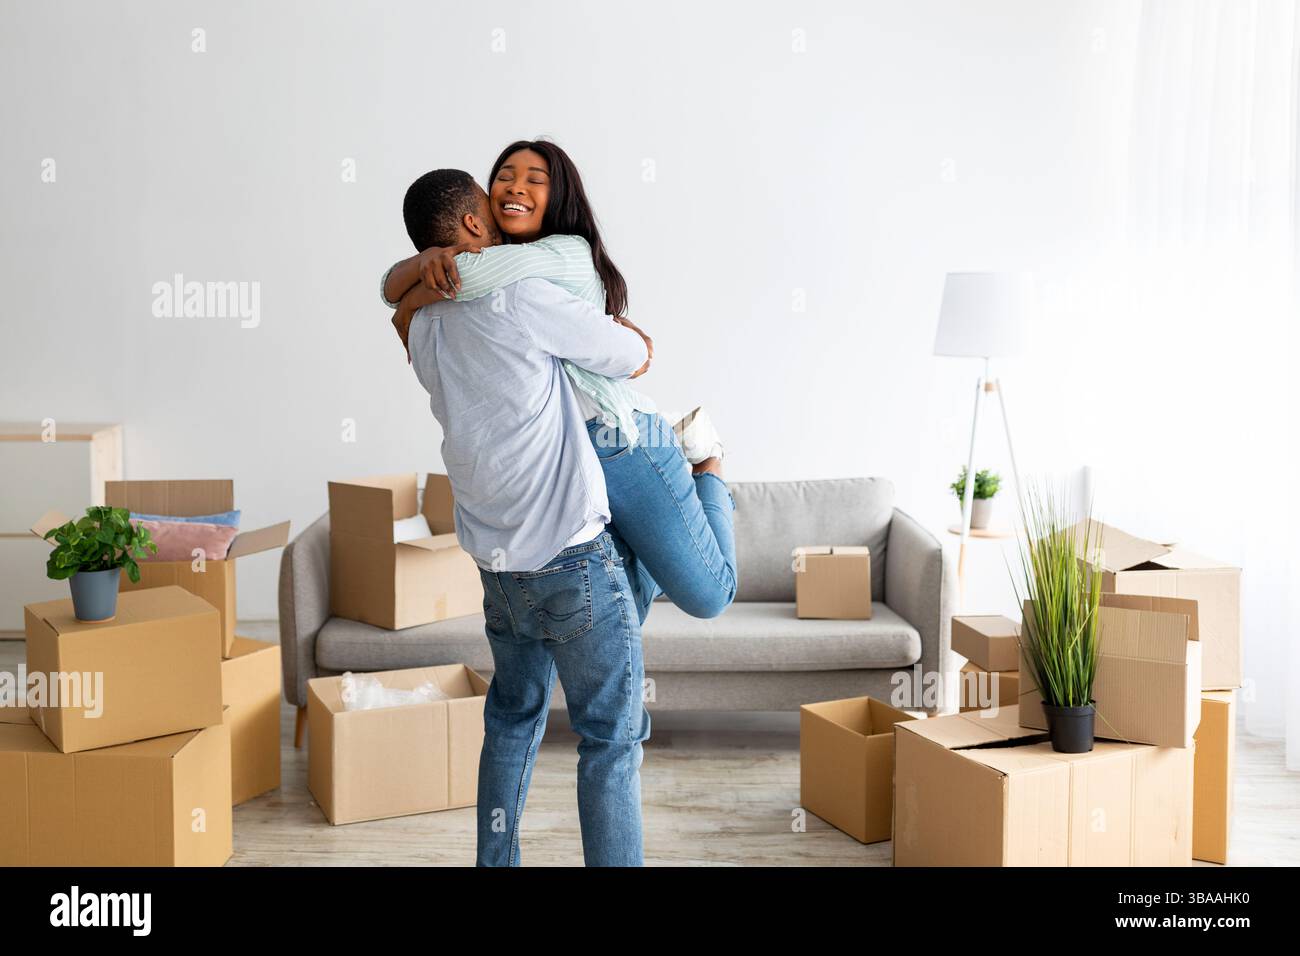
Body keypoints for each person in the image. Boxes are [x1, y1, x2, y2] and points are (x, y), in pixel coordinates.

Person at [401, 168, 652, 866]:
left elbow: (403, 299)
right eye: (492, 208)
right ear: (476, 227)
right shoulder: (519, 294)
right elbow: (626, 356)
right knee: (611, 739)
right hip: (571, 558)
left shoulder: (422, 327)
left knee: (512, 721)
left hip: (499, 573)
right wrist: (637, 338)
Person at [383, 140, 736, 626]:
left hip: (621, 440)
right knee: (620, 611)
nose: (515, 187)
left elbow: (468, 272)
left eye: (535, 179)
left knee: (709, 598)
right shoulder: (499, 271)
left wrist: (405, 292)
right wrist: (413, 278)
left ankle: (709, 462)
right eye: (505, 176)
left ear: (560, 195)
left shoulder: (560, 253)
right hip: (567, 458)